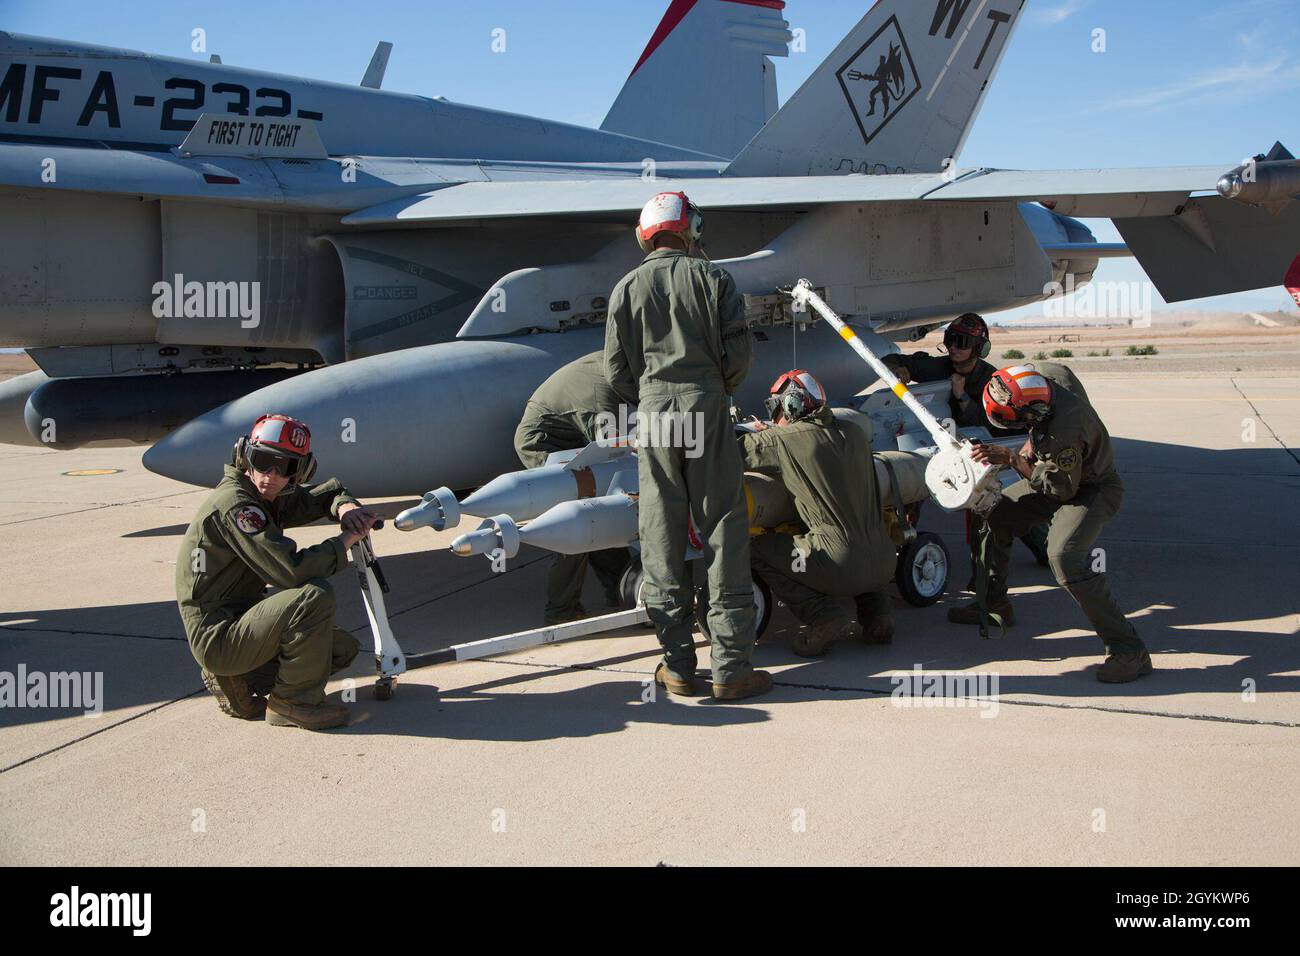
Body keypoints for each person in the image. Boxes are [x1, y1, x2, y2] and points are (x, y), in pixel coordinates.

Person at [605, 190, 770, 701]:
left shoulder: (626, 287)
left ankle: (677, 666)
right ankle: (731, 669)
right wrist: (712, 392)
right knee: (723, 527)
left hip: (655, 416)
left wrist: (654, 396)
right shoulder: (715, 279)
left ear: (645, 234)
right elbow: (738, 357)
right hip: (707, 406)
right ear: (689, 229)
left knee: (660, 532)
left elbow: (616, 371)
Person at [947, 366, 1153, 683]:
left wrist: (1014, 459)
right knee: (989, 510)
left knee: (1064, 558)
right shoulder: (1049, 377)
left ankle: (1129, 650)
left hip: (1089, 490)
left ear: (1034, 411)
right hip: (1052, 472)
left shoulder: (1064, 435)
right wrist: (1031, 445)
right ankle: (994, 603)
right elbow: (1062, 384)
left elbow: (1059, 490)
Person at [175, 413, 381, 729]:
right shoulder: (238, 505)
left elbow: (324, 494)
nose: (270, 474)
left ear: (299, 472)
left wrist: (346, 507)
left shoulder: (267, 495)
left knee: (340, 650)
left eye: (284, 467)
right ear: (244, 456)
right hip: (218, 634)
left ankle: (238, 679)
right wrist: (345, 540)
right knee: (313, 595)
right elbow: (291, 571)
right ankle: (292, 703)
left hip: (239, 621)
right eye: (261, 461)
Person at [741, 370, 897, 657]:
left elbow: (732, 453)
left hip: (837, 564)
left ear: (791, 406)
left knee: (757, 549)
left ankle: (822, 616)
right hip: (885, 561)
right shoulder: (854, 432)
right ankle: (877, 617)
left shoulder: (784, 440)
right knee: (856, 543)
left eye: (775, 408)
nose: (774, 417)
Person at [883, 314, 1050, 569]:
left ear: (979, 348)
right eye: (950, 340)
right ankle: (901, 548)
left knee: (996, 500)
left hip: (984, 451)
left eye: (961, 342)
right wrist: (898, 368)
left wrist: (962, 397)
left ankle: (1045, 550)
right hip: (943, 446)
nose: (953, 347)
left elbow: (995, 425)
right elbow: (890, 358)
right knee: (913, 492)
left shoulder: (993, 382)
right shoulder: (938, 367)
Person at [514, 351, 631, 624]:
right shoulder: (603, 403)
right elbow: (621, 457)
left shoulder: (624, 363)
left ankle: (619, 589)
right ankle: (561, 610)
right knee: (581, 517)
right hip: (544, 443)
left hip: (571, 435)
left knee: (602, 506)